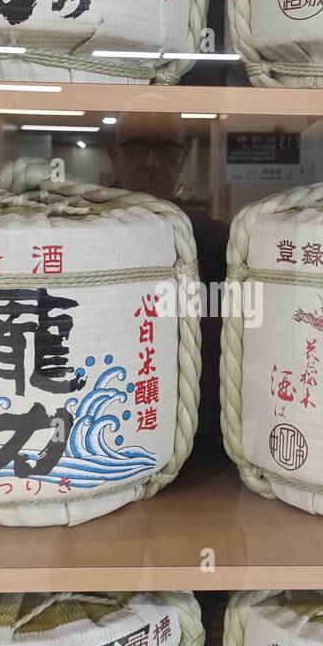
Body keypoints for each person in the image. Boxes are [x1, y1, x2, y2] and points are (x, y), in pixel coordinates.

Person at [108, 112, 228, 442]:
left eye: (165, 151)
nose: (151, 163)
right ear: (114, 155)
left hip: (192, 414)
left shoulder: (212, 238)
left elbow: (232, 327)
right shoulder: (84, 232)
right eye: (136, 149)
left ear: (182, 157)